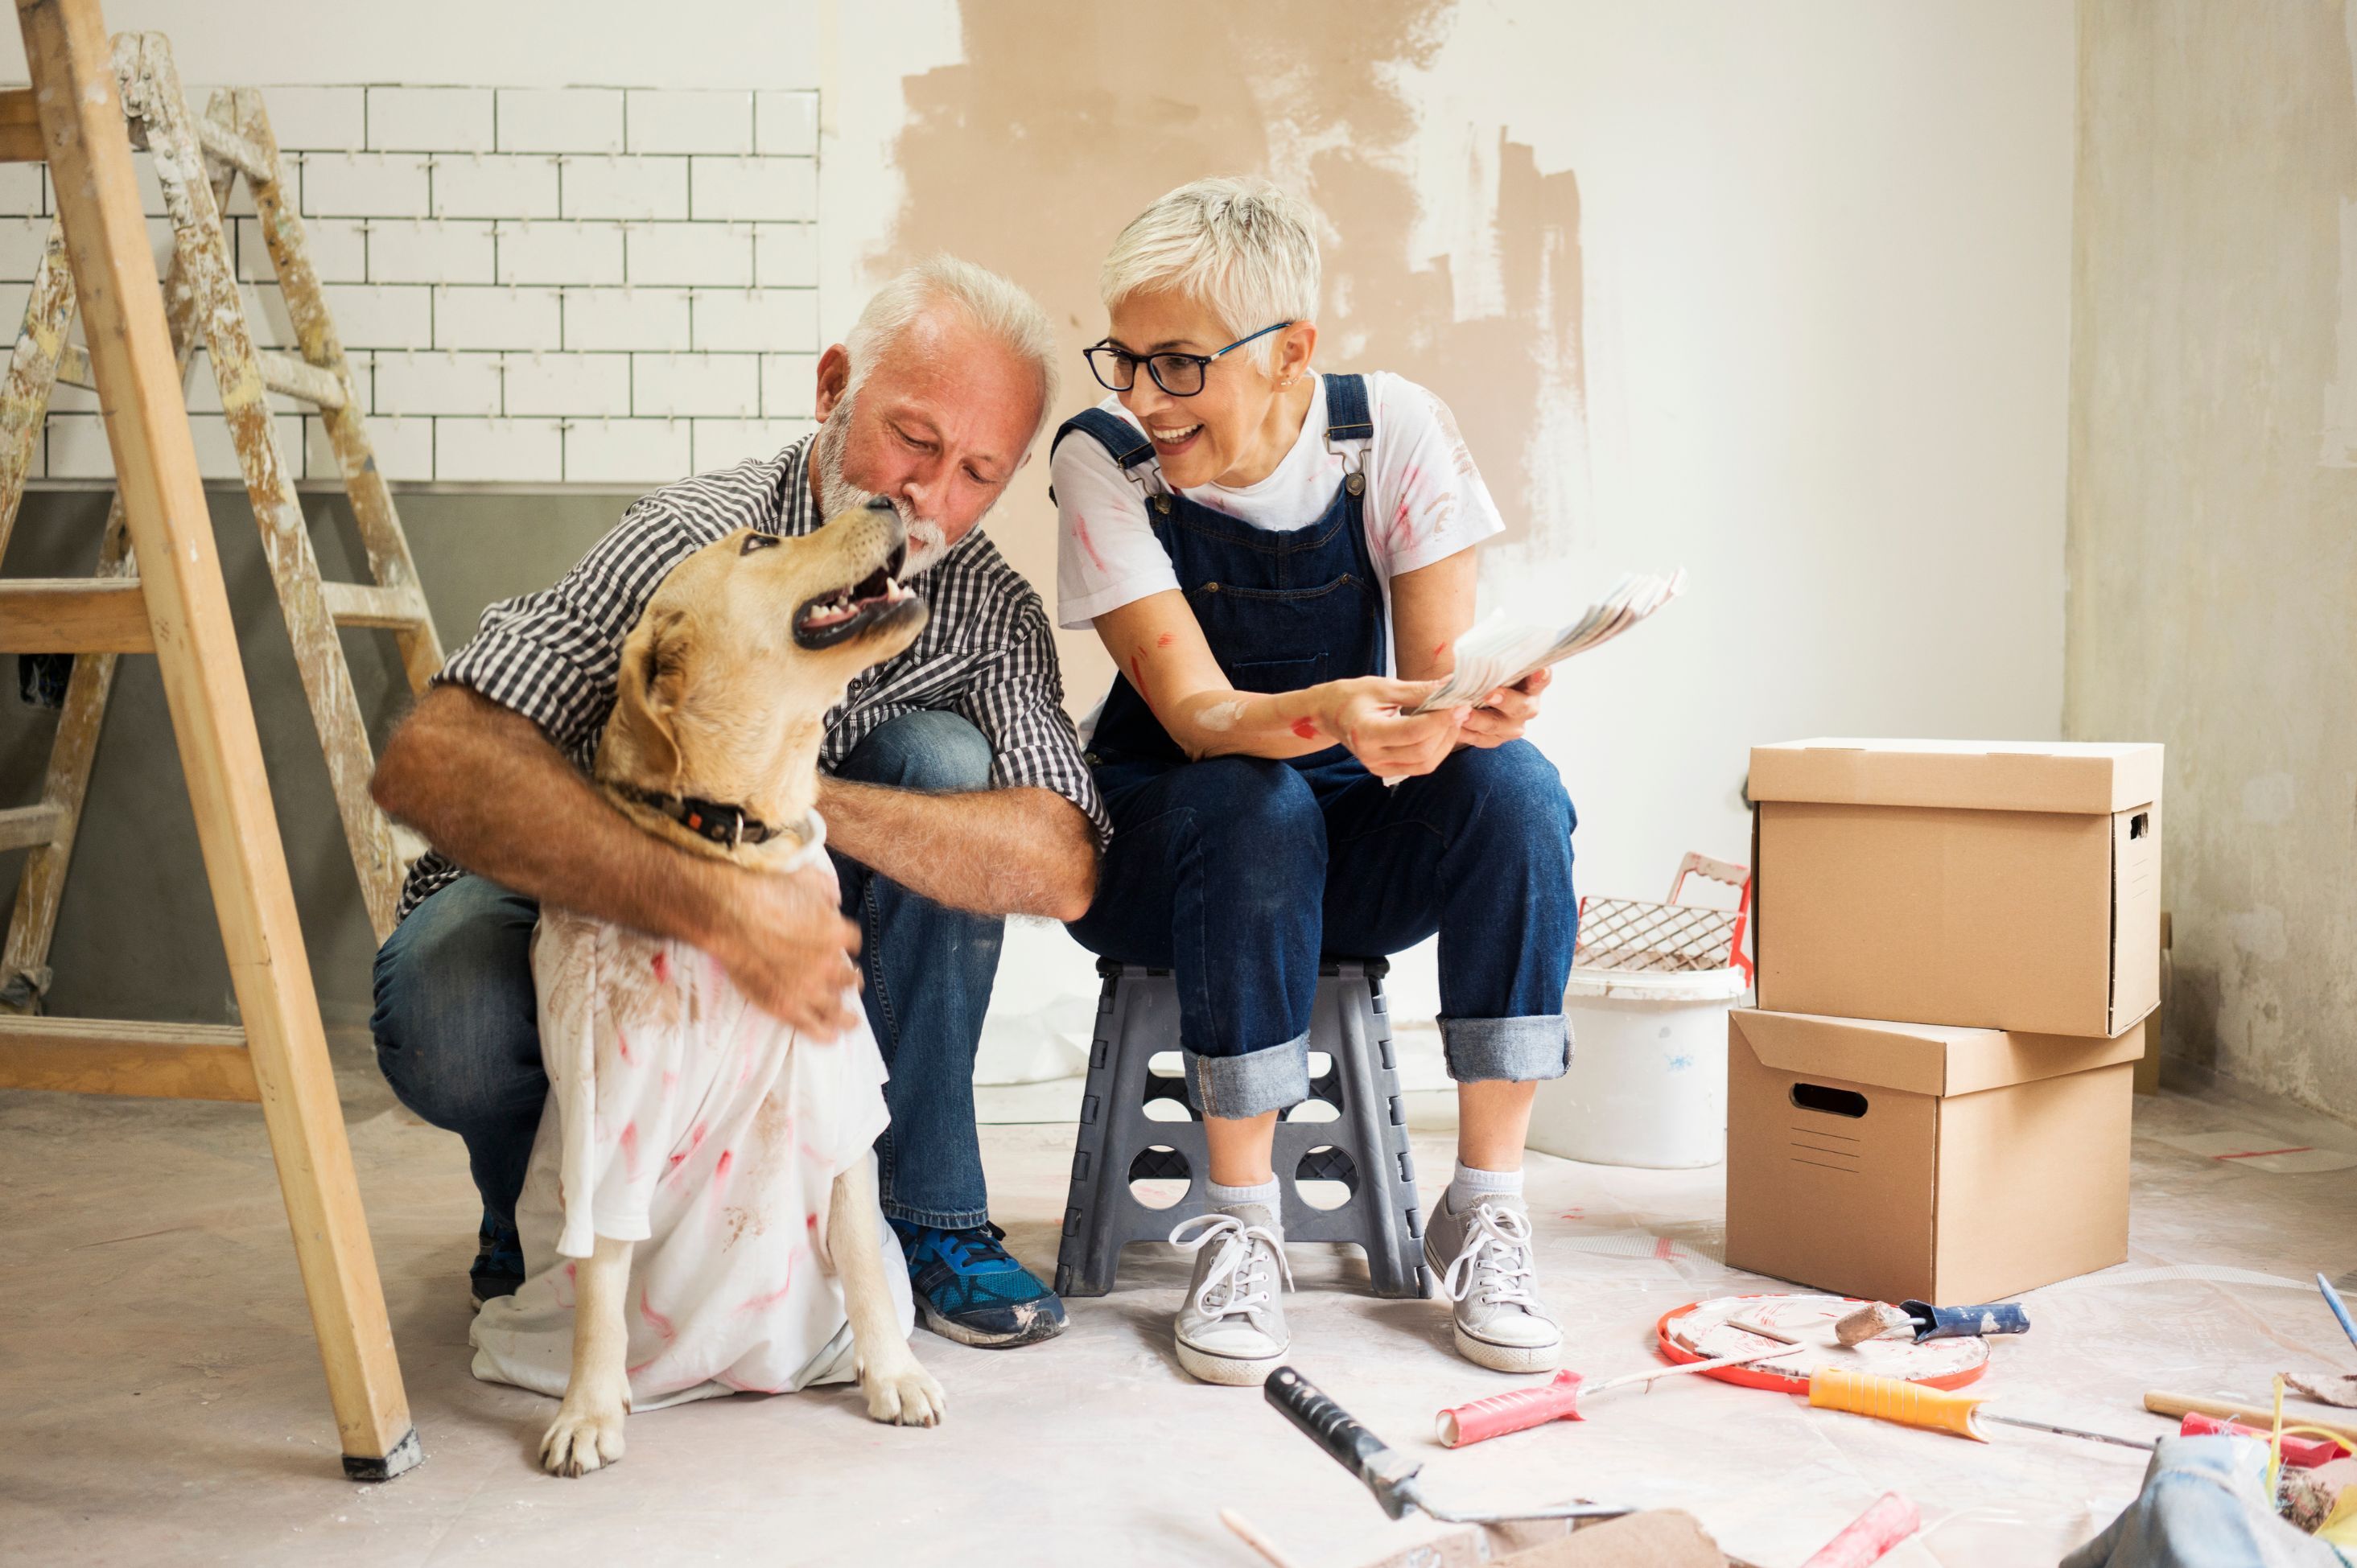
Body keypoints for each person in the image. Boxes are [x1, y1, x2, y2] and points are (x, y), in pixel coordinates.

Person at [369, 257, 1103, 1351]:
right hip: (582, 904)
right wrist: (704, 893)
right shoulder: (696, 542)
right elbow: (436, 755)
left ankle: (927, 1212)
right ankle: (531, 1195)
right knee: (451, 1010)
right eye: (913, 437)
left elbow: (1059, 860)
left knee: (947, 762)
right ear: (830, 388)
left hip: (803, 921)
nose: (929, 497)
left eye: (975, 472)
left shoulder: (981, 605)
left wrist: (793, 802)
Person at [1050, 179, 1578, 1385]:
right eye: (1122, 358)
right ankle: (1241, 1228)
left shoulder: (1387, 431)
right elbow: (1194, 716)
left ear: (1291, 351)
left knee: (1521, 789)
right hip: (1167, 852)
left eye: (1178, 364)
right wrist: (1334, 712)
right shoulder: (1104, 459)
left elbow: (1435, 683)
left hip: (1342, 844)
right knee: (1253, 799)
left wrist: (1463, 713)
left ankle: (1487, 1206)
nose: (1140, 395)